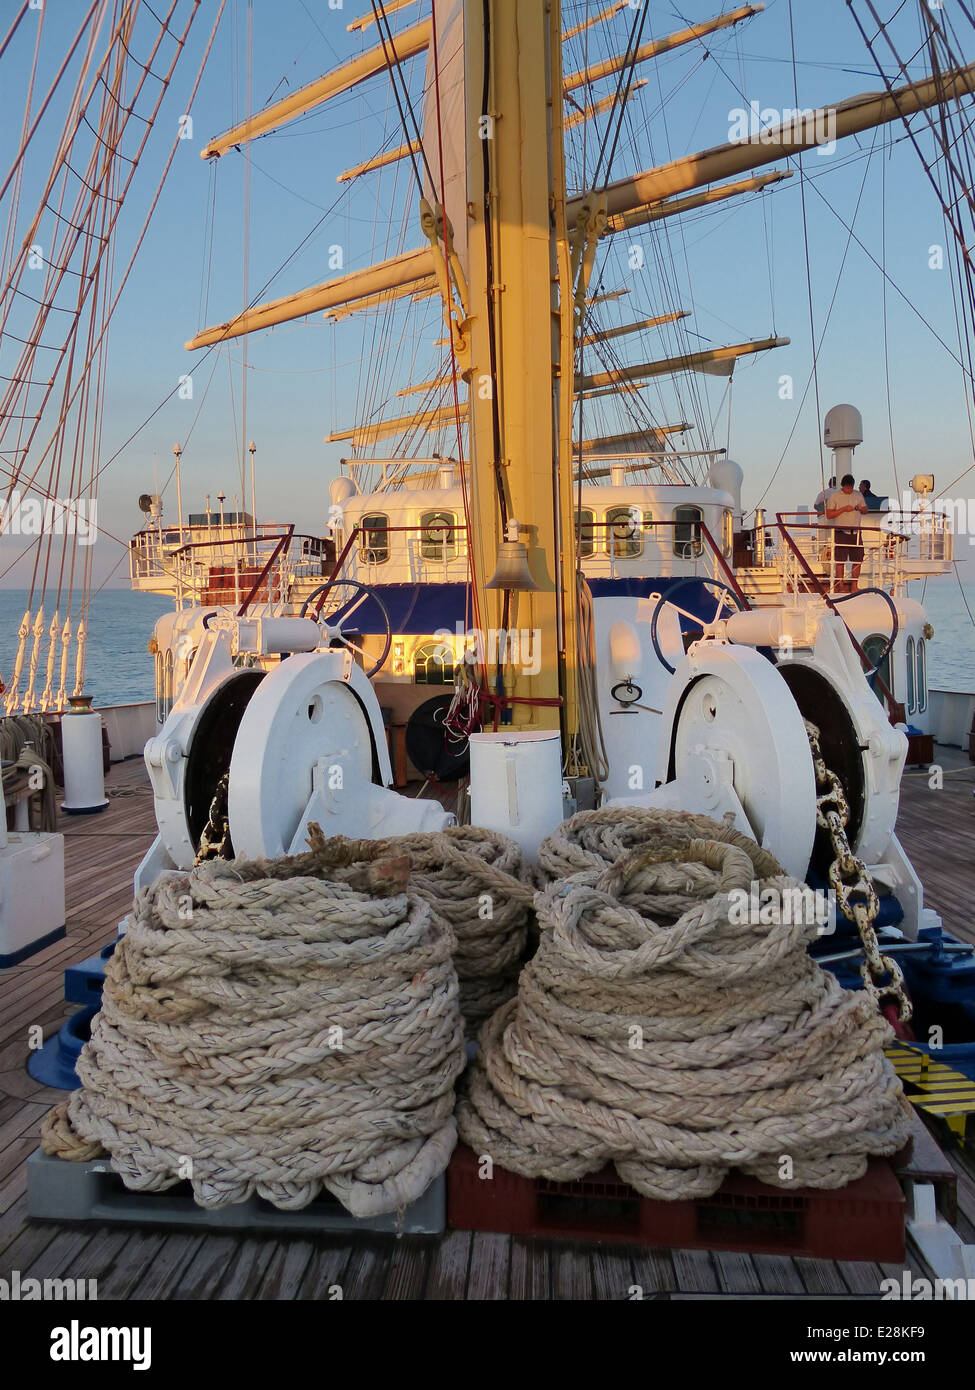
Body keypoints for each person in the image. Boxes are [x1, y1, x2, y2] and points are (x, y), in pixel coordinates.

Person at [824, 474, 866, 593]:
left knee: (857, 560)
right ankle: (840, 585)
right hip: (841, 531)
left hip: (856, 532)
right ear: (843, 486)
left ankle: (854, 586)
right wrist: (843, 509)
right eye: (847, 488)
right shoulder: (835, 496)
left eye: (851, 488)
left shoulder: (858, 494)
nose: (849, 490)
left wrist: (861, 509)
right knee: (840, 560)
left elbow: (865, 510)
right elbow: (829, 514)